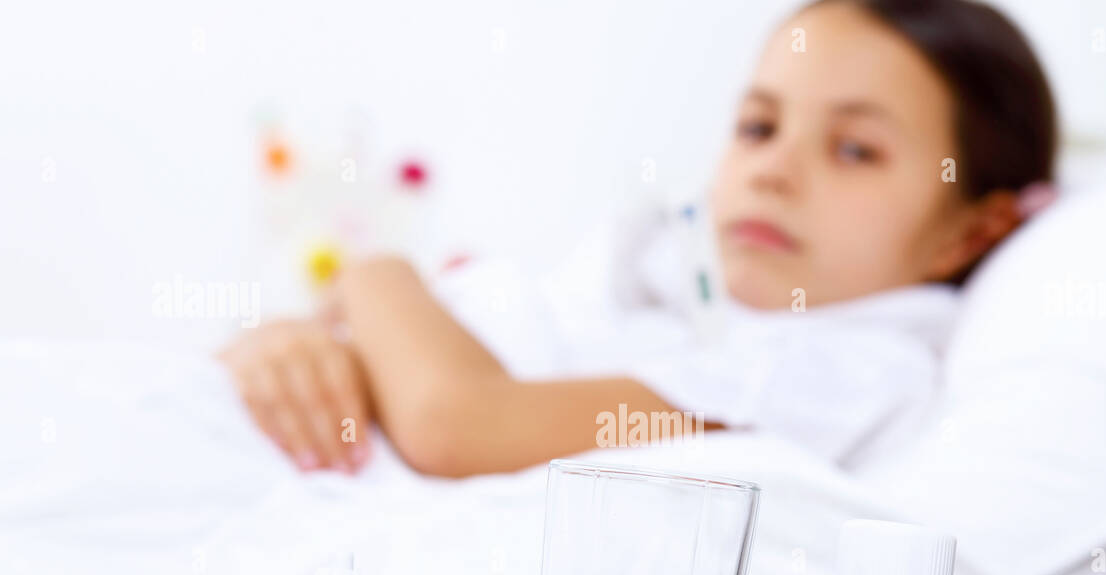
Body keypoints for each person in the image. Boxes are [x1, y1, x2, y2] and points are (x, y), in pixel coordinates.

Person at [219, 0, 1056, 477]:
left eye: (853, 149)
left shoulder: (840, 373)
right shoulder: (661, 296)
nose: (774, 172)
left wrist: (375, 275)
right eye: (759, 126)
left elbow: (460, 423)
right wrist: (291, 346)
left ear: (970, 230)